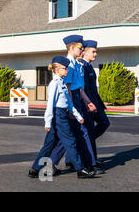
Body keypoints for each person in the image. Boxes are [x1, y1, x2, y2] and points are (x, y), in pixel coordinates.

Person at [28, 56, 95, 179]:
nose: (67, 71)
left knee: (49, 145)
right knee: (70, 142)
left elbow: (68, 102)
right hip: (58, 116)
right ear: (57, 70)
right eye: (65, 68)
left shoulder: (62, 83)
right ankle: (80, 169)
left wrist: (77, 115)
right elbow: (50, 104)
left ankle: (34, 169)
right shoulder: (54, 84)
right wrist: (47, 122)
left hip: (62, 114)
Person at [49, 35, 102, 174]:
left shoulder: (77, 64)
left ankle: (52, 163)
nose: (82, 49)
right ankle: (89, 164)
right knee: (81, 132)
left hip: (78, 100)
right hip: (70, 102)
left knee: (70, 135)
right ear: (72, 48)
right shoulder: (68, 66)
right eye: (80, 47)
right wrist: (72, 109)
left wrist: (88, 102)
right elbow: (67, 87)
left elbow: (78, 87)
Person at [80, 40, 110, 167]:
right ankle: (90, 159)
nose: (95, 54)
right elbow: (83, 89)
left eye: (95, 51)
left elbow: (93, 89)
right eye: (93, 51)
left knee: (104, 123)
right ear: (85, 52)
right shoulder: (82, 66)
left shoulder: (89, 66)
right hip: (88, 105)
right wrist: (88, 103)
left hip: (95, 104)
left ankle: (84, 146)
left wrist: (100, 105)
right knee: (88, 132)